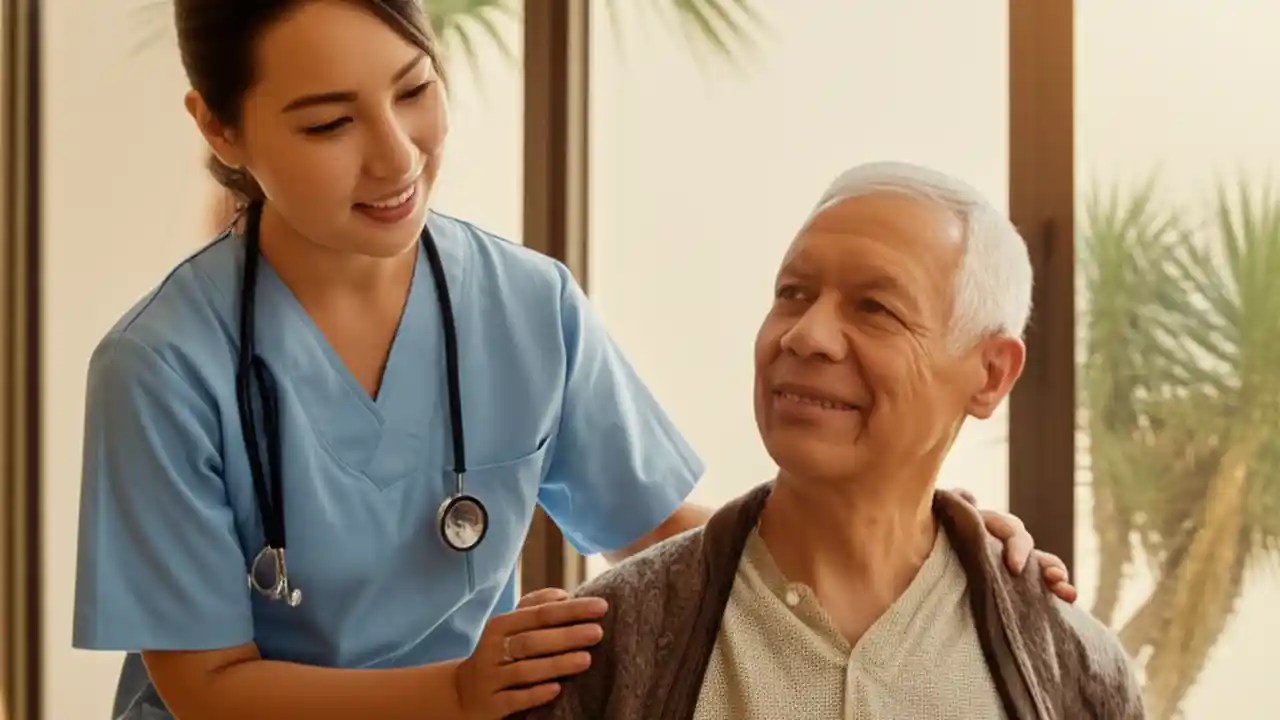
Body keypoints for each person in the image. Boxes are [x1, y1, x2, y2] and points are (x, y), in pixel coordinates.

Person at [69, 3, 1076, 719]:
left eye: (414, 90)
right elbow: (207, 688)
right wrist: (456, 695)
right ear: (219, 124)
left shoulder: (523, 305)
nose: (396, 155)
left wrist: (909, 547)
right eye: (329, 122)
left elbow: (667, 541)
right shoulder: (161, 369)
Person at [518, 162, 1144, 720]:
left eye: (875, 307)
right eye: (793, 294)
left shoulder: (1074, 668)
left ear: (990, 374)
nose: (807, 335)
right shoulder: (600, 653)